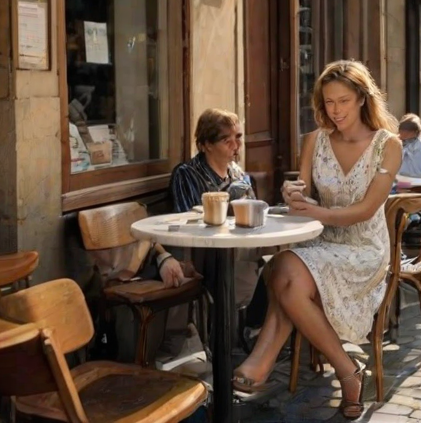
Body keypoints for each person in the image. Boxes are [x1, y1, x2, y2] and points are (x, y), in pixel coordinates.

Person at [231, 60, 401, 420]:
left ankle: (264, 360)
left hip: (364, 250)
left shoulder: (389, 145)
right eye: (328, 103)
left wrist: (316, 213)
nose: (335, 111)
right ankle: (347, 373)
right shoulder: (314, 141)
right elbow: (301, 195)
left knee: (283, 270)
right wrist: (292, 192)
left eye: (342, 101)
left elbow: (366, 210)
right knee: (284, 269)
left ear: (361, 99)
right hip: (320, 242)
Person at [169, 109, 267, 331]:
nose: (236, 145)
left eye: (238, 137)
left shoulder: (237, 173)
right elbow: (188, 224)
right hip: (204, 255)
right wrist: (226, 199)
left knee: (280, 263)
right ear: (206, 145)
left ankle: (255, 326)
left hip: (240, 249)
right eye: (226, 140)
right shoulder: (186, 174)